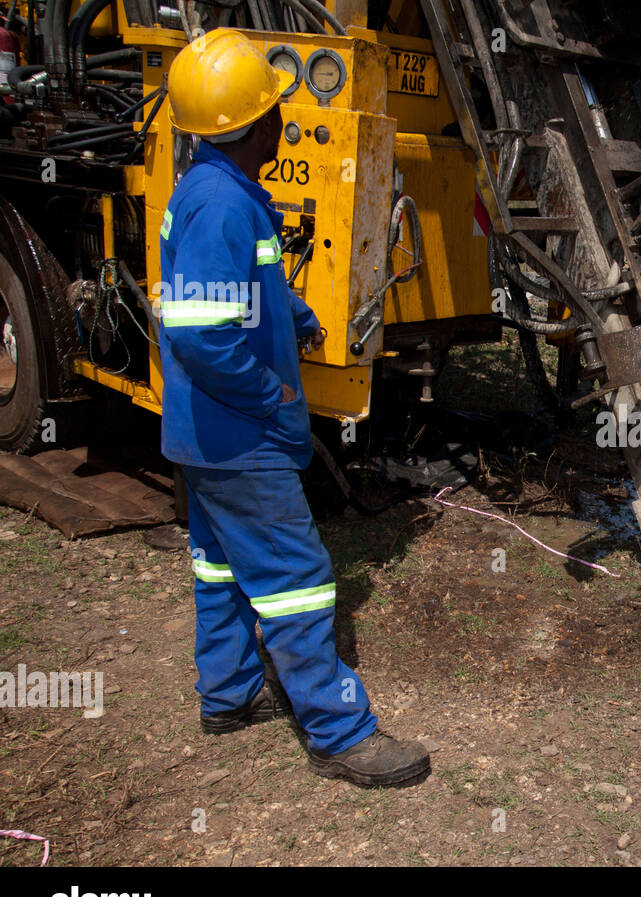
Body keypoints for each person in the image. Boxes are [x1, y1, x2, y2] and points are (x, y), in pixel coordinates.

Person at [159, 28, 429, 788]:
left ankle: (230, 694)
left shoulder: (213, 190)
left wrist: (295, 314)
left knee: (219, 568)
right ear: (257, 123)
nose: (285, 116)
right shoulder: (222, 205)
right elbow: (200, 337)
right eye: (277, 105)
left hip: (200, 439)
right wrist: (272, 392)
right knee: (297, 577)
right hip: (238, 435)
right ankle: (340, 732)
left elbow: (224, 299)